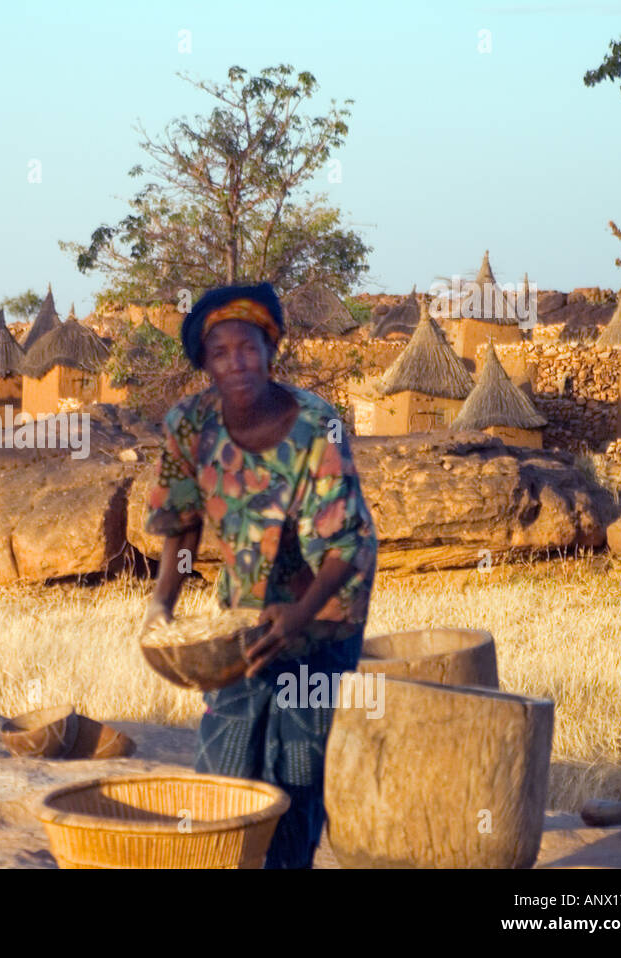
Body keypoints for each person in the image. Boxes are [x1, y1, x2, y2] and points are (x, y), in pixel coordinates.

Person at [141, 283, 378, 869]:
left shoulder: (318, 426)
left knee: (297, 762)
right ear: (205, 365)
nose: (235, 363)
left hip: (324, 609)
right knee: (227, 747)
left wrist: (299, 615)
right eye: (218, 353)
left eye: (246, 347)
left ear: (269, 349)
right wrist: (161, 606)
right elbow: (182, 525)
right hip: (244, 607)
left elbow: (347, 545)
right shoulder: (189, 425)